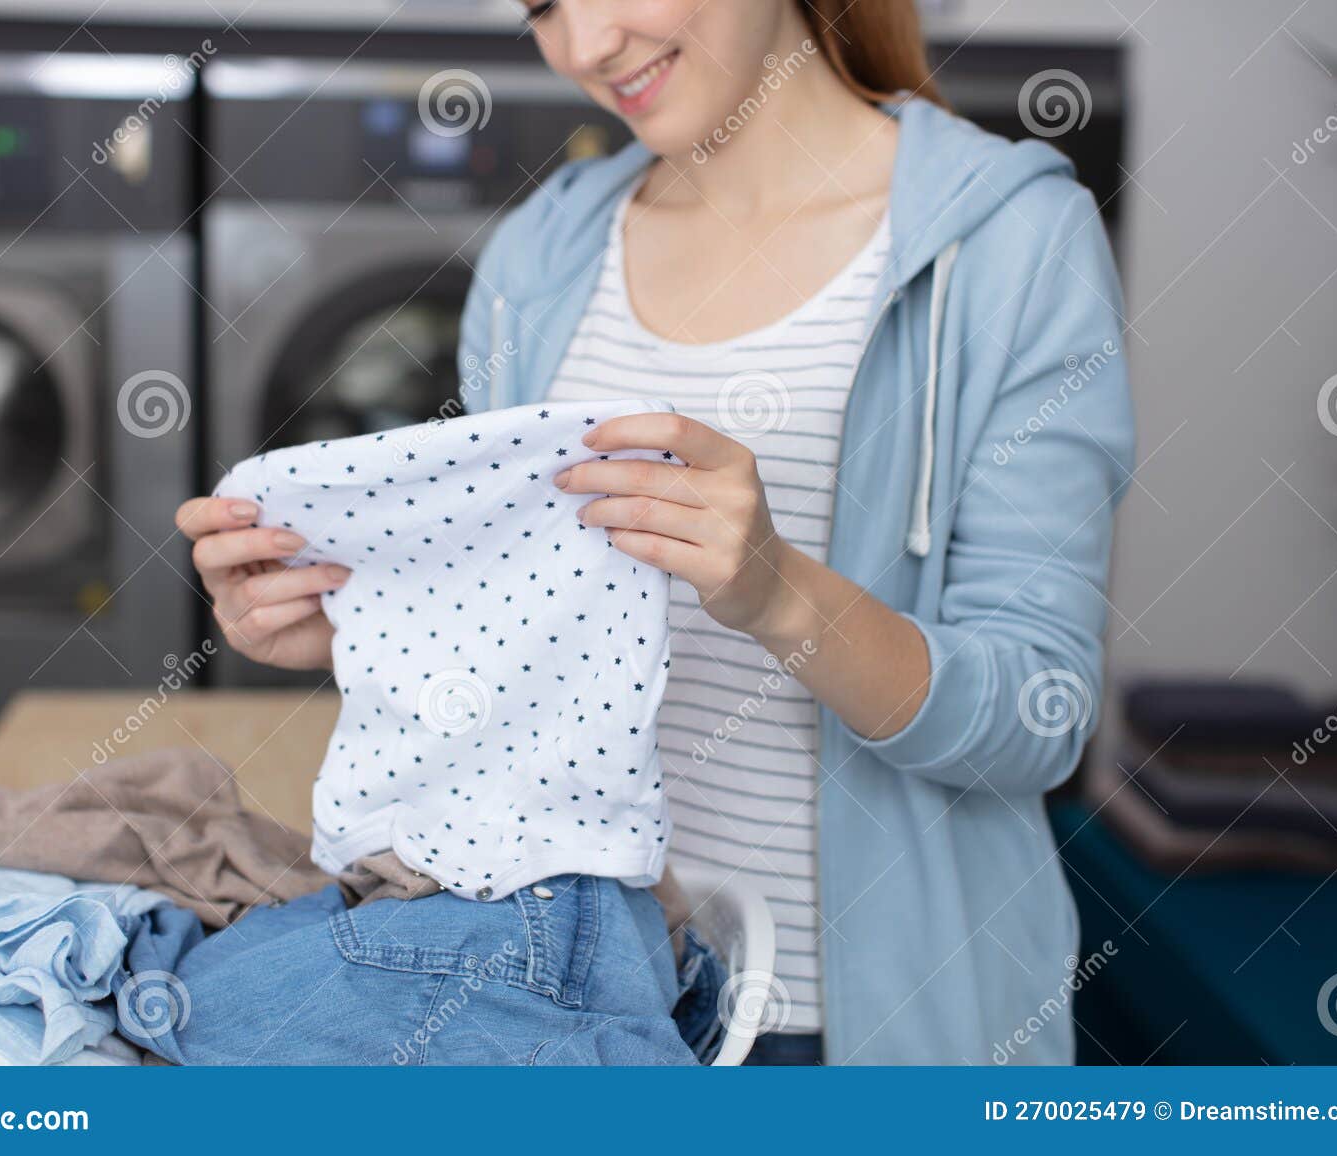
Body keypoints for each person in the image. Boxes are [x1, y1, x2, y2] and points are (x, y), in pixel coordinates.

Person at [176, 0, 1134, 1065]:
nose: (583, 49)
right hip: (577, 1010)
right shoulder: (543, 254)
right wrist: (357, 624)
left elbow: (1035, 716)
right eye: (540, 6)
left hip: (874, 1040)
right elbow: (524, 654)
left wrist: (778, 593)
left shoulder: (1010, 245)